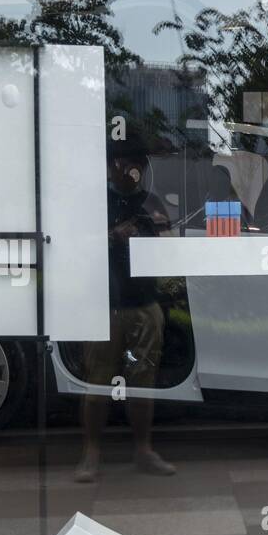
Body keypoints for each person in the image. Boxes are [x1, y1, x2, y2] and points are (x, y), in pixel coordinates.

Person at [74, 134, 176, 483]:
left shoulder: (152, 202)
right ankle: (91, 452)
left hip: (144, 302)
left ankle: (144, 449)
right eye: (121, 162)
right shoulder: (95, 202)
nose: (128, 169)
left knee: (143, 381)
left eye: (135, 163)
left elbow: (167, 247)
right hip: (104, 303)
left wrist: (153, 232)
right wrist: (113, 236)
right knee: (97, 381)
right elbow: (77, 245)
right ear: (110, 166)